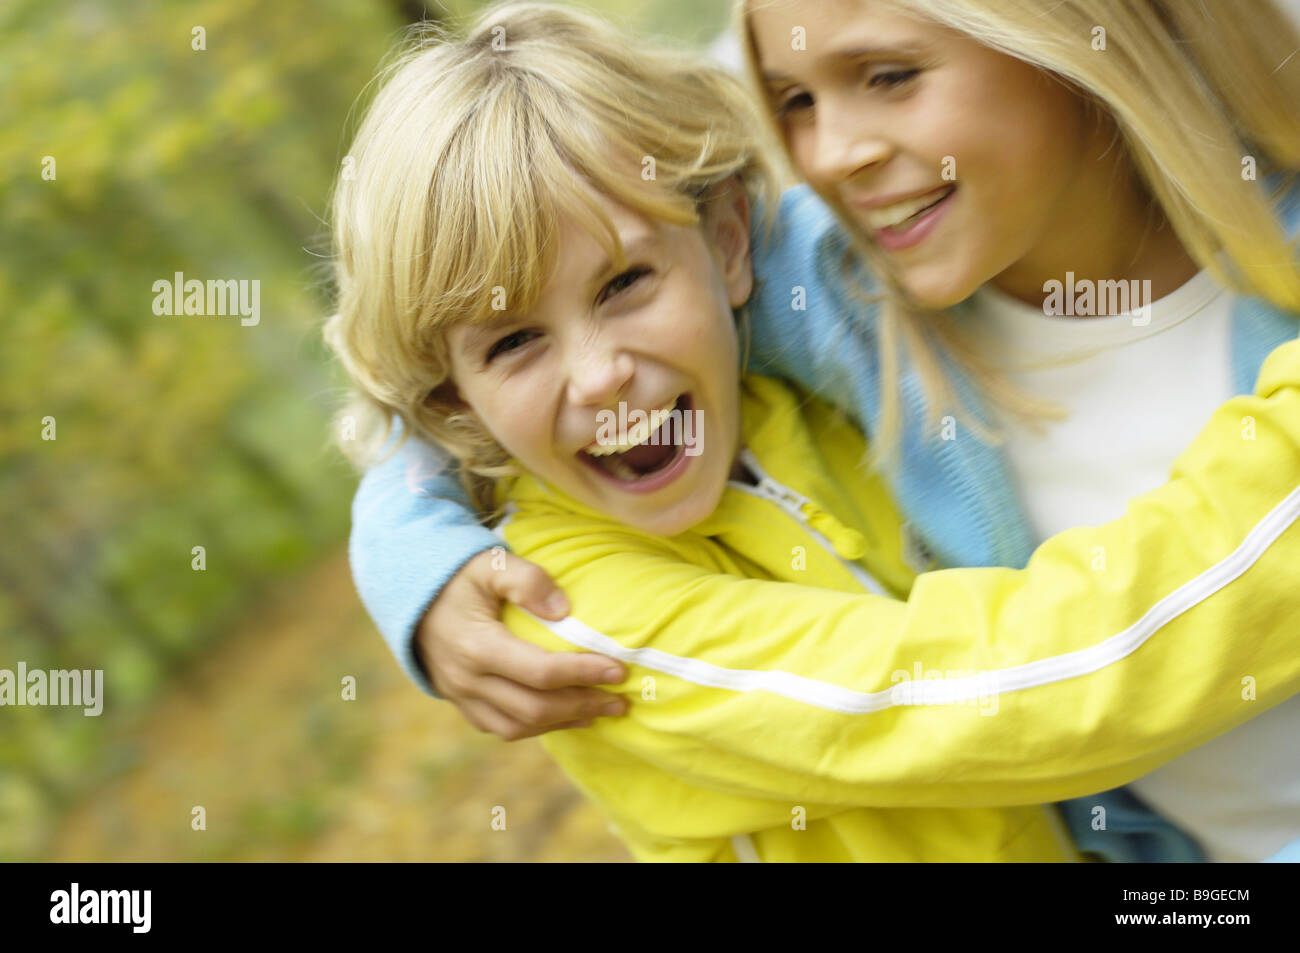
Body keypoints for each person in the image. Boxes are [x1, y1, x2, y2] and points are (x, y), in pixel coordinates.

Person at [330, 2, 1300, 861]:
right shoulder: (559, 613)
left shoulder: (787, 325)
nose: (834, 152)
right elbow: (1011, 696)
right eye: (793, 100)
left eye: (889, 76)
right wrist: (411, 546)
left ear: (727, 245)